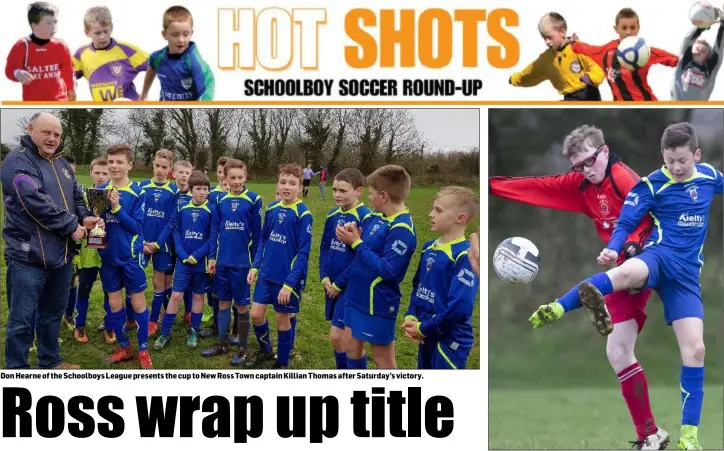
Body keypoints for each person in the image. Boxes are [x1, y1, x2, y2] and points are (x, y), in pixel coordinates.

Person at [530, 123, 722, 450]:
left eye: (682, 161)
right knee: (626, 274)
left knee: (696, 351)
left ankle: (689, 438)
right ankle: (559, 306)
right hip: (658, 256)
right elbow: (626, 224)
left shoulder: (709, 178)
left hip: (687, 277)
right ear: (662, 155)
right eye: (670, 160)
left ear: (697, 155)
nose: (675, 167)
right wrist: (614, 249)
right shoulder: (650, 185)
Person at [490, 125, 666, 448]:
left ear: (605, 151)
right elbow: (538, 186)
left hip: (651, 256)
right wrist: (491, 186)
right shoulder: (582, 183)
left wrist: (630, 247)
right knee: (617, 351)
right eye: (578, 166)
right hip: (623, 263)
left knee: (628, 276)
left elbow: (652, 220)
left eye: (590, 161)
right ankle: (650, 436)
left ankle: (568, 302)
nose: (586, 170)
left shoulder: (625, 180)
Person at [2, 112, 101, 369]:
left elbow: (76, 196)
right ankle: (18, 370)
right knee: (22, 319)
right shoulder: (17, 161)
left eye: (57, 134)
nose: (52, 139)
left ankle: (50, 361)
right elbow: (32, 199)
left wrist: (85, 218)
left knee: (52, 314)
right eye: (46, 132)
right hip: (28, 255)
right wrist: (71, 226)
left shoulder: (61, 164)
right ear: (31, 128)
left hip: (62, 255)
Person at [335, 165, 417, 369]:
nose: (368, 198)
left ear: (384, 196)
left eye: (370, 193)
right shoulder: (374, 217)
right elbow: (362, 254)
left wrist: (356, 242)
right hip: (355, 296)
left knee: (383, 361)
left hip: (377, 302)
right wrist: (354, 235)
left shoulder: (402, 229)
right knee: (351, 350)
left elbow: (388, 270)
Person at [403, 186, 479, 369]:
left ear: (460, 218)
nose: (430, 214)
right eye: (432, 208)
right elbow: (417, 286)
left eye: (438, 210)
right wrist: (412, 314)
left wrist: (424, 328)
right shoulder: (428, 247)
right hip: (426, 331)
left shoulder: (466, 255)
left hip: (450, 339)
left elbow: (460, 308)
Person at [247, 164, 312, 369]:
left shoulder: (303, 214)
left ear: (300, 187)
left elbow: (303, 253)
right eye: (283, 182)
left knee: (281, 318)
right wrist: (255, 266)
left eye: (292, 183)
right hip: (266, 274)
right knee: (256, 314)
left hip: (286, 279)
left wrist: (289, 284)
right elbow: (263, 240)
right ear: (277, 184)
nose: (287, 187)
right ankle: (266, 351)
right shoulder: (272, 208)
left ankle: (282, 363)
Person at [202, 159, 262, 365]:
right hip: (222, 263)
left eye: (240, 177)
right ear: (225, 179)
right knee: (223, 303)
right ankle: (222, 343)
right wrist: (212, 257)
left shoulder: (254, 199)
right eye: (232, 178)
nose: (236, 181)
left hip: (242, 264)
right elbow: (214, 231)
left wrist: (255, 265)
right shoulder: (219, 201)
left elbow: (258, 235)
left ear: (245, 177)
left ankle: (243, 348)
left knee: (243, 306)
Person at [99, 144, 152, 369]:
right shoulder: (99, 191)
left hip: (131, 258)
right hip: (108, 259)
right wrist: (96, 224)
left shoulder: (138, 193)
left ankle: (142, 350)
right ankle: (124, 346)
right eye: (110, 161)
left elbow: (136, 228)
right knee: (114, 304)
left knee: (138, 303)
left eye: (119, 162)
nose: (114, 166)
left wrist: (116, 208)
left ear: (129, 165)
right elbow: (97, 226)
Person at [154, 171, 215, 350]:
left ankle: (193, 331)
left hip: (201, 262)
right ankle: (165, 333)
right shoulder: (182, 208)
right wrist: (181, 253)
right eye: (198, 188)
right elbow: (176, 231)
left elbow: (212, 237)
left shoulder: (212, 210)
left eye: (205, 189)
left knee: (198, 296)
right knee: (176, 295)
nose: (202, 192)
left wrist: (197, 255)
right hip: (183, 261)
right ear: (190, 190)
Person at [319, 168, 371, 369]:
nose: (337, 195)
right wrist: (324, 276)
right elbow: (324, 247)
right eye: (334, 190)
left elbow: (362, 257)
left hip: (350, 287)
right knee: (338, 339)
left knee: (345, 339)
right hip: (330, 284)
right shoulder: (332, 214)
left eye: (343, 190)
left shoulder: (366, 217)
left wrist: (339, 284)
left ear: (358, 191)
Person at [570, 8, 679, 101]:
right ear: (616, 29)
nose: (628, 32)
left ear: (638, 28)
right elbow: (587, 49)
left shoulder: (644, 52)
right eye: (624, 28)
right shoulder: (606, 52)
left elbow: (676, 60)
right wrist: (574, 43)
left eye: (632, 28)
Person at [509, 12, 603, 101]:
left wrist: (589, 78)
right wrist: (514, 79)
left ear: (562, 32)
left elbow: (596, 66)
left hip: (589, 94)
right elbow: (530, 72)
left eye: (550, 37)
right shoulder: (547, 58)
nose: (547, 42)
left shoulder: (578, 48)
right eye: (544, 38)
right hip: (569, 98)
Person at [72, 157, 114, 344]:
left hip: (107, 252)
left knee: (109, 290)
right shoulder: (81, 195)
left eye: (105, 173)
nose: (100, 176)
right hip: (88, 252)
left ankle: (109, 325)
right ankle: (79, 325)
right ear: (90, 173)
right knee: (85, 289)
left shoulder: (114, 195)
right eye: (97, 172)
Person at [72, 6, 148, 101]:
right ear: (87, 32)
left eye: (106, 31)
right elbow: (64, 76)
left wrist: (145, 93)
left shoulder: (126, 50)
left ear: (111, 28)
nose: (103, 36)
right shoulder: (81, 54)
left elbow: (158, 64)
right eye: (98, 33)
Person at [140, 149, 178, 336]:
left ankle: (153, 321)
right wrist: (142, 240)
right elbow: (136, 215)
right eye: (157, 166)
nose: (160, 170)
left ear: (170, 169)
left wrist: (157, 243)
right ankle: (132, 318)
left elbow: (172, 221)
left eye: (164, 167)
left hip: (162, 245)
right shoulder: (142, 186)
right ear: (153, 165)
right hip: (141, 243)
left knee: (158, 282)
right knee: (135, 281)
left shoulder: (174, 191)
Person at [140, 5, 214, 101]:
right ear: (164, 34)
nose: (181, 40)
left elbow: (208, 83)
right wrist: (144, 95)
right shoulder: (157, 57)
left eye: (186, 34)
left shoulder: (194, 62)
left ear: (191, 33)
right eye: (175, 35)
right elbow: (152, 66)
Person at [4, 2, 75, 101]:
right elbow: (9, 70)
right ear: (34, 26)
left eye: (55, 22)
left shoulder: (61, 46)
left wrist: (71, 89)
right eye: (49, 23)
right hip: (33, 101)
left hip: (59, 99)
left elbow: (68, 71)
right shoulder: (22, 46)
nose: (54, 27)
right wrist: (17, 73)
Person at [199, 156, 230, 338]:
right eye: (219, 172)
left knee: (232, 291)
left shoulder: (241, 195)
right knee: (214, 289)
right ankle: (217, 323)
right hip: (214, 249)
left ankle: (233, 328)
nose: (223, 176)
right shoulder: (212, 195)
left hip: (232, 251)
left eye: (226, 172)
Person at [671, 9, 724, 100]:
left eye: (703, 51)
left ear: (707, 57)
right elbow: (688, 40)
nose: (699, 51)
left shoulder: (709, 71)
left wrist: (722, 25)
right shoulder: (684, 63)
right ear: (691, 51)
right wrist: (704, 23)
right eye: (697, 48)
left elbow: (718, 51)